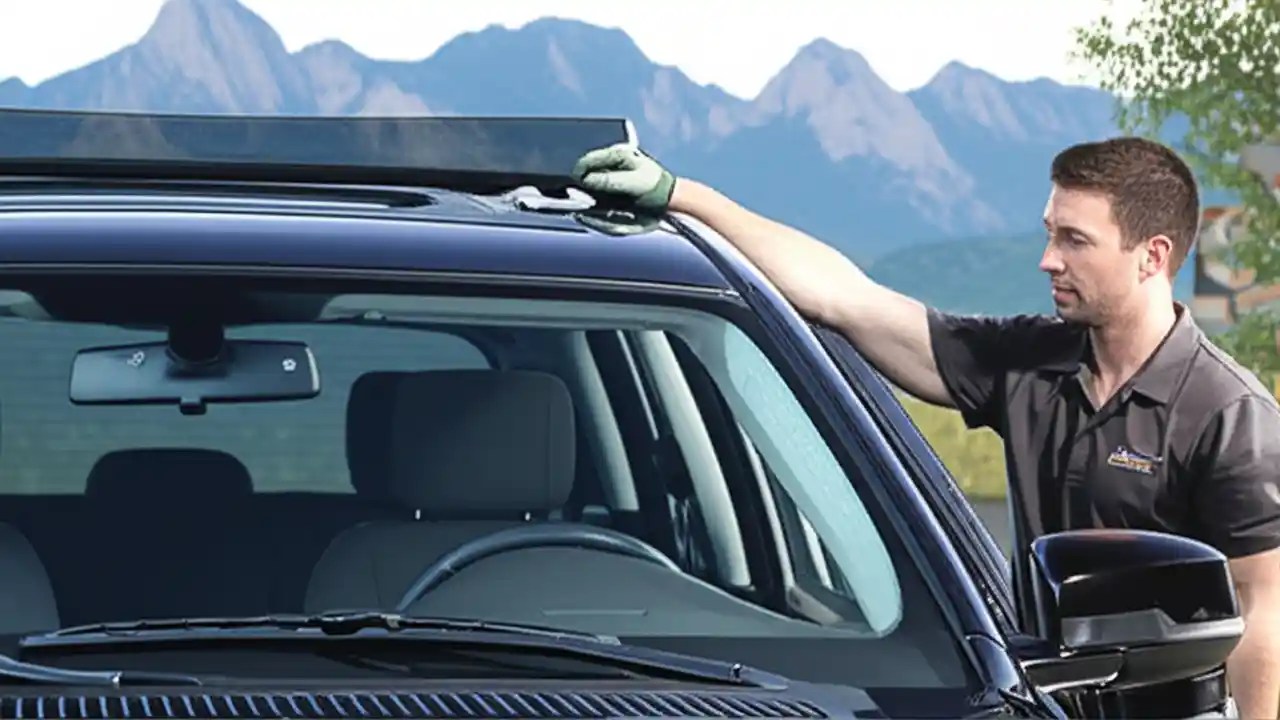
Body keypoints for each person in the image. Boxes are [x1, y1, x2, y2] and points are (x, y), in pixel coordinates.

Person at [571, 138, 1280, 719]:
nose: (1048, 259)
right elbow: (846, 300)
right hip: (1032, 703)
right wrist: (686, 196)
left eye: (1075, 240)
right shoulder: (1030, 361)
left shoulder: (1228, 415)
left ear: (1152, 255)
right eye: (1049, 233)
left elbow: (1264, 614)